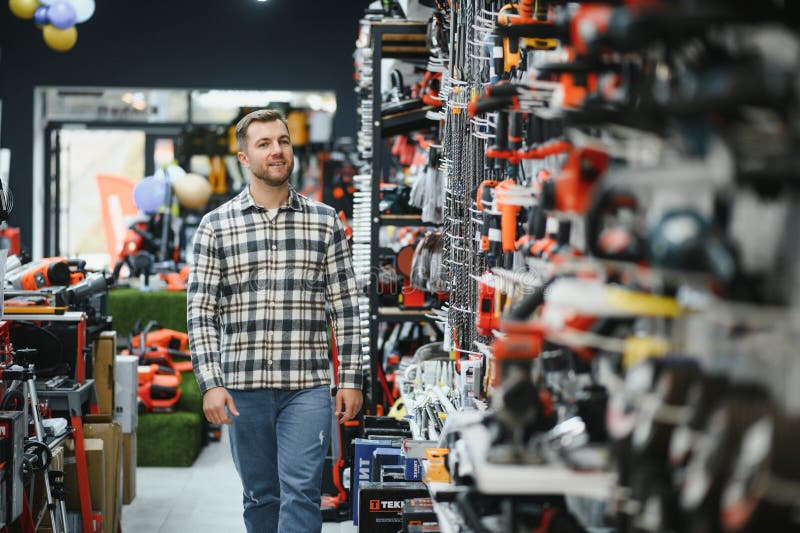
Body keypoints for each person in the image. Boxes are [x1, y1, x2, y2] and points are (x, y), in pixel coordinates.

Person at [187, 108, 363, 533]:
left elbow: (346, 304)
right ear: (244, 158)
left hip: (306, 386)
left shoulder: (325, 223)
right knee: (260, 494)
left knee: (301, 490)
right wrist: (211, 383)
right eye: (264, 144)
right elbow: (201, 311)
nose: (276, 151)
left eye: (282, 141)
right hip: (243, 388)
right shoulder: (216, 227)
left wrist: (352, 378)